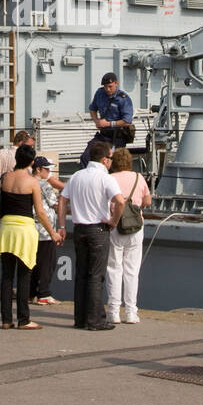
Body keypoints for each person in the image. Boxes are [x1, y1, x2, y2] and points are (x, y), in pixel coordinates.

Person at [0, 145, 64, 329]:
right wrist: (53, 232)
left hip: (7, 228)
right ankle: (24, 319)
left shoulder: (6, 178)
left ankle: (6, 319)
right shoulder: (32, 182)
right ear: (32, 162)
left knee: (7, 275)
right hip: (24, 229)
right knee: (25, 274)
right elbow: (40, 212)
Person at [59, 139, 124, 331]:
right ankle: (95, 319)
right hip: (98, 229)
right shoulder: (106, 178)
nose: (111, 162)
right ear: (104, 159)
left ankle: (80, 318)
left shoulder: (76, 176)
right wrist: (113, 221)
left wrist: (62, 225)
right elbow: (120, 201)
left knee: (81, 275)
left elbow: (63, 200)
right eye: (110, 158)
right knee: (96, 276)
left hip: (79, 229)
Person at [0, 130, 35, 300]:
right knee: (16, 250)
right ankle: (15, 288)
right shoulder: (21, 160)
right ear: (23, 143)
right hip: (16, 211)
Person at [106, 148, 150, 324]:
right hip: (135, 226)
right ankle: (131, 312)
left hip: (114, 225)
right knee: (132, 271)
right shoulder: (139, 178)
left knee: (114, 269)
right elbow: (147, 201)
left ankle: (113, 311)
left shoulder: (109, 179)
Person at [30, 156, 65, 305]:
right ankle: (44, 293)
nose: (49, 172)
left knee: (32, 263)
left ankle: (30, 293)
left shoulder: (27, 182)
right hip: (45, 230)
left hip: (31, 227)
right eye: (46, 169)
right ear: (38, 169)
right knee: (47, 263)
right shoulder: (44, 185)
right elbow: (54, 203)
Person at [89, 72, 134, 148]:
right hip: (103, 135)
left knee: (115, 158)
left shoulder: (123, 98)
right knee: (86, 156)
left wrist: (108, 124)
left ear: (116, 83)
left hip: (118, 137)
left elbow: (127, 121)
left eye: (110, 86)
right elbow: (92, 109)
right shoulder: (100, 93)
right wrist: (97, 121)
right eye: (105, 87)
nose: (107, 89)